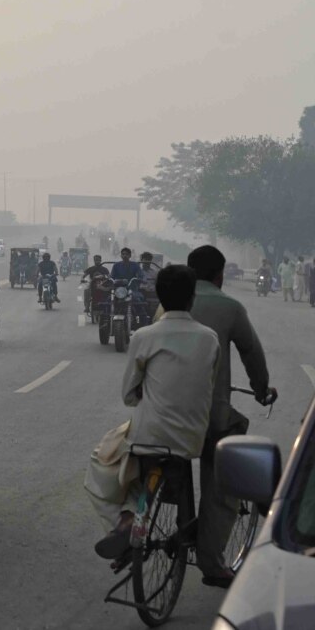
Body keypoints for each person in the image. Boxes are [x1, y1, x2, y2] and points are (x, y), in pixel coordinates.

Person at [84, 265, 220, 560]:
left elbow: (128, 396)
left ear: (158, 296)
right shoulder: (210, 338)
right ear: (191, 298)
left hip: (150, 436)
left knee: (102, 461)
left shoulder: (145, 336)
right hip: (192, 438)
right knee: (138, 461)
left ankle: (123, 521)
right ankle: (137, 517)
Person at [185, 245, 275, 587]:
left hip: (164, 417)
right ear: (220, 275)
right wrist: (261, 388)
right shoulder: (229, 307)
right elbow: (251, 351)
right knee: (224, 472)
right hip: (211, 416)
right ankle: (211, 560)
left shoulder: (168, 306)